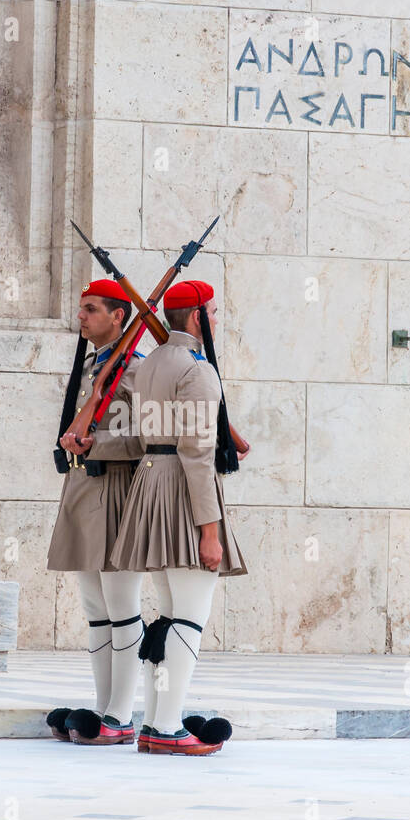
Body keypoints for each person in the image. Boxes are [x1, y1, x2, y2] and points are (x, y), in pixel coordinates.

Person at [106, 280, 246, 756]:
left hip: (150, 483)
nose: (216, 321)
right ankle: (166, 728)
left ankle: (154, 723)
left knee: (167, 616)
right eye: (213, 313)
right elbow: (198, 453)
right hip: (183, 491)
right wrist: (210, 530)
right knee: (189, 615)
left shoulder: (150, 365)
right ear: (197, 317)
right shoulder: (196, 370)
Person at [44, 279, 146, 746]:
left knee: (122, 605)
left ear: (118, 316)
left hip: (117, 486)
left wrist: (97, 441)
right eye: (81, 308)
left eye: (90, 309)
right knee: (94, 606)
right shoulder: (92, 366)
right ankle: (105, 709)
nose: (81, 317)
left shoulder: (136, 370)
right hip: (85, 484)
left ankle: (122, 715)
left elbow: (149, 437)